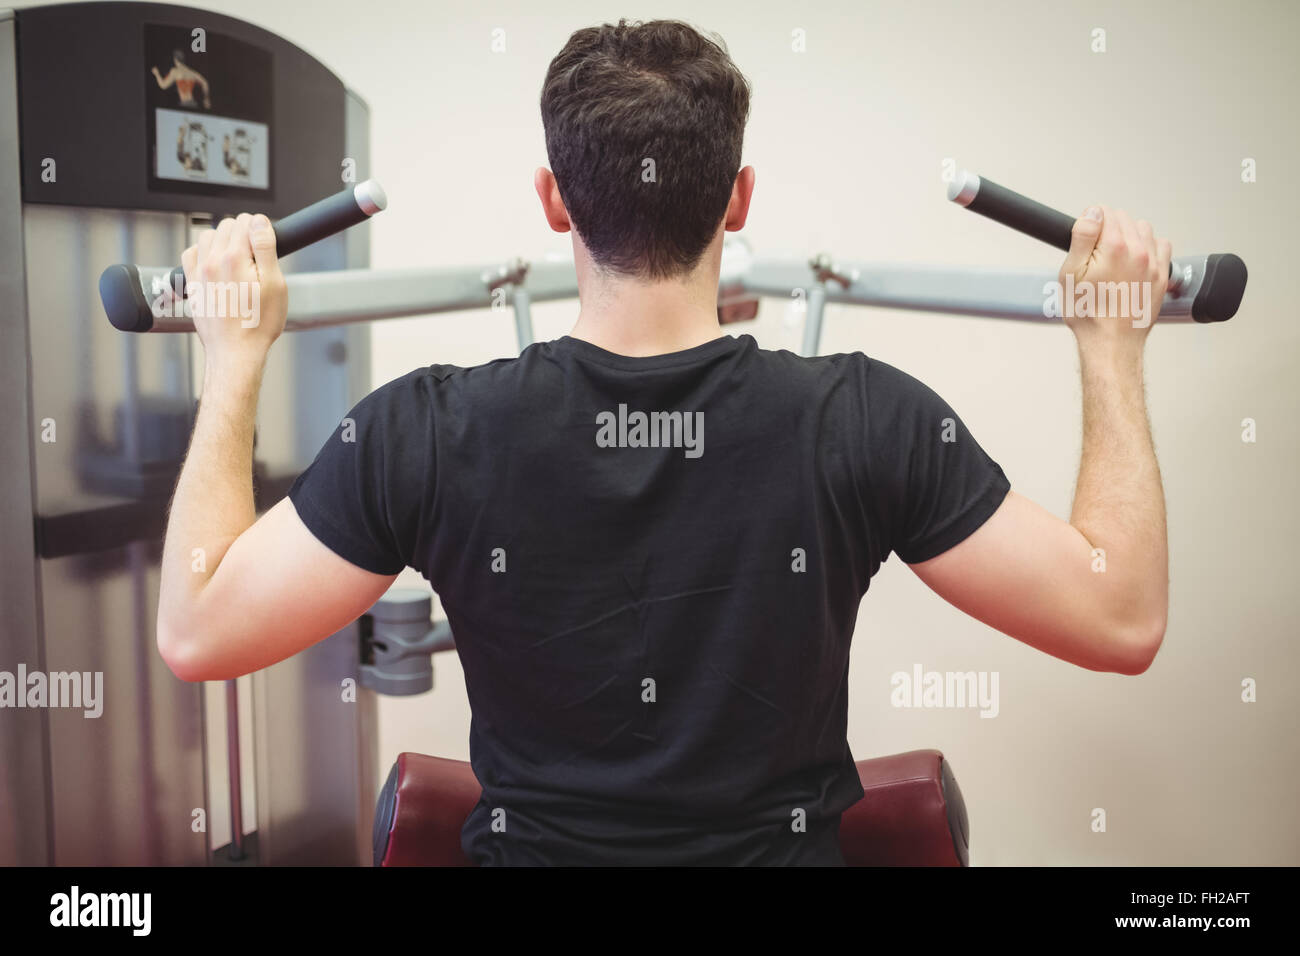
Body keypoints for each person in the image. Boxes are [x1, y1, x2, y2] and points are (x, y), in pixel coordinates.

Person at [155, 19, 1170, 865]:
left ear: (554, 200)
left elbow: (198, 632)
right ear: (737, 197)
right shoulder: (865, 417)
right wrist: (1111, 345)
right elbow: (1117, 618)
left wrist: (234, 354)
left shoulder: (427, 429)